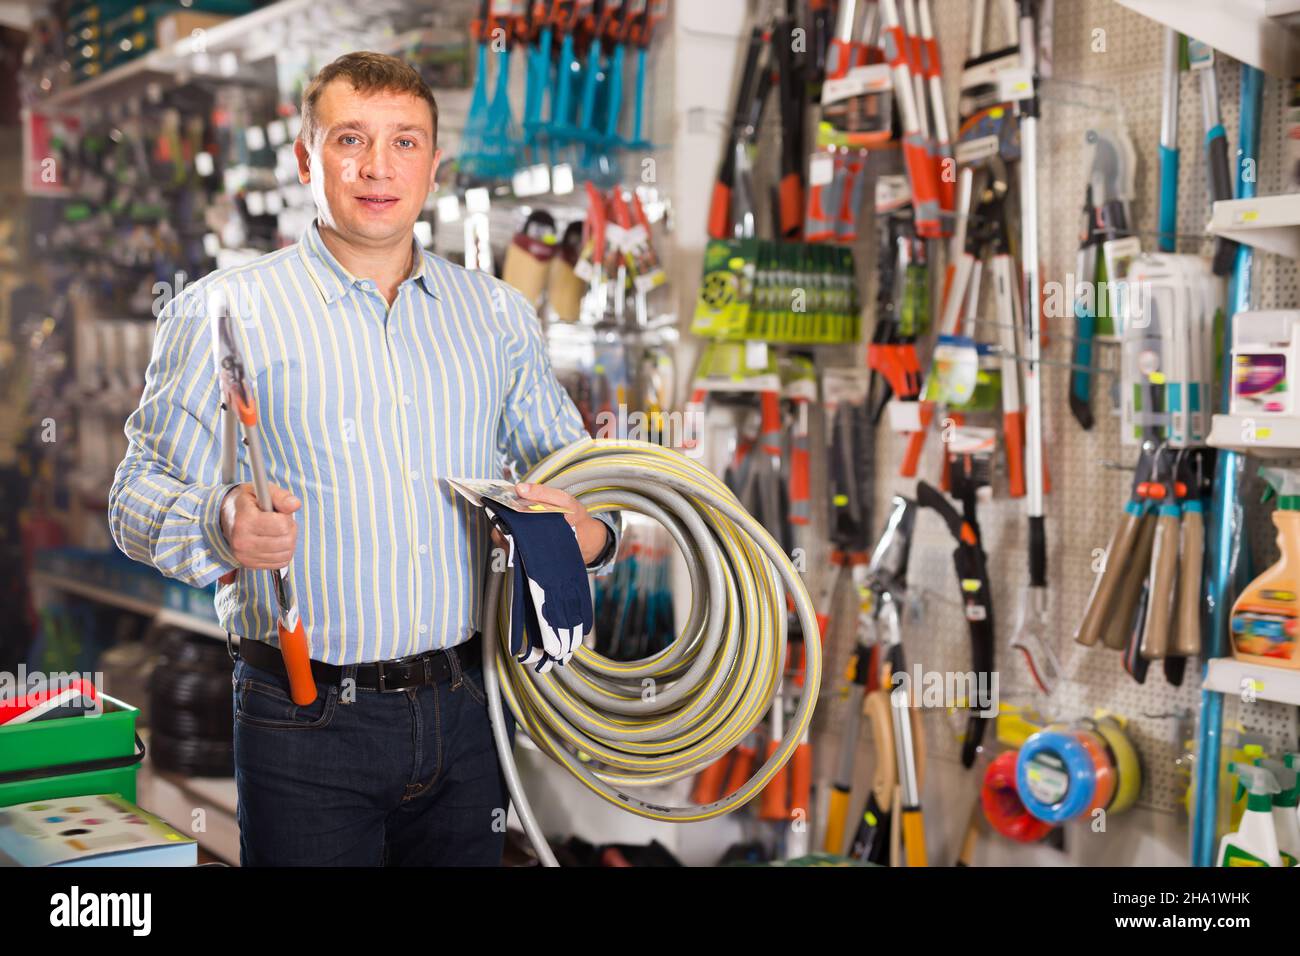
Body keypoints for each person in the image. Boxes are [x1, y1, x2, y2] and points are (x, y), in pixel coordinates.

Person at [108, 51, 619, 866]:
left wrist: (588, 538)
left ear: (434, 164)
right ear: (307, 158)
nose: (378, 167)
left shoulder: (496, 317)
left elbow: (580, 488)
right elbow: (134, 496)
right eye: (350, 139)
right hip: (304, 717)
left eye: (405, 142)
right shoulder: (224, 311)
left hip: (470, 708)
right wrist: (220, 520)